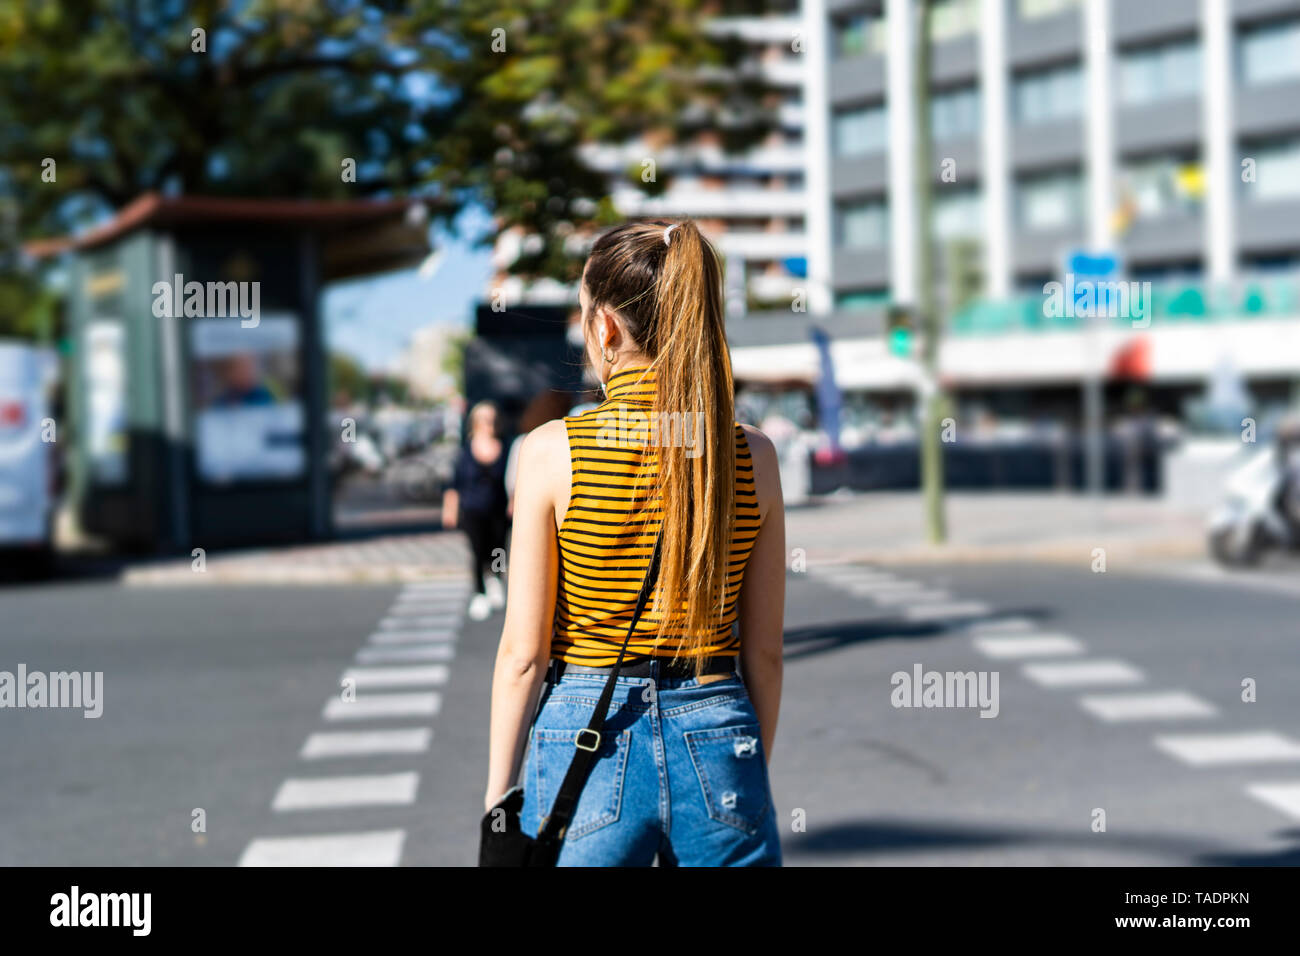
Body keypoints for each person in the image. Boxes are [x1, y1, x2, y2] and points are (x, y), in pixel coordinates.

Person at [484, 219, 786, 866]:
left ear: (605, 329)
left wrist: (497, 801)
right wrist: (740, 765)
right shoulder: (751, 454)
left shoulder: (552, 453)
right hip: (717, 717)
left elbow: (522, 656)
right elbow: (764, 652)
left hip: (585, 730)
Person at [443, 401, 508, 622]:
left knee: (498, 548)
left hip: (498, 508)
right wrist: (449, 510)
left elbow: (512, 479)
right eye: (484, 419)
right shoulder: (465, 452)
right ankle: (479, 592)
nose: (489, 423)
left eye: (492, 419)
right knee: (477, 551)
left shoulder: (504, 447)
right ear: (475, 422)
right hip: (472, 509)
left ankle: (496, 579)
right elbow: (454, 483)